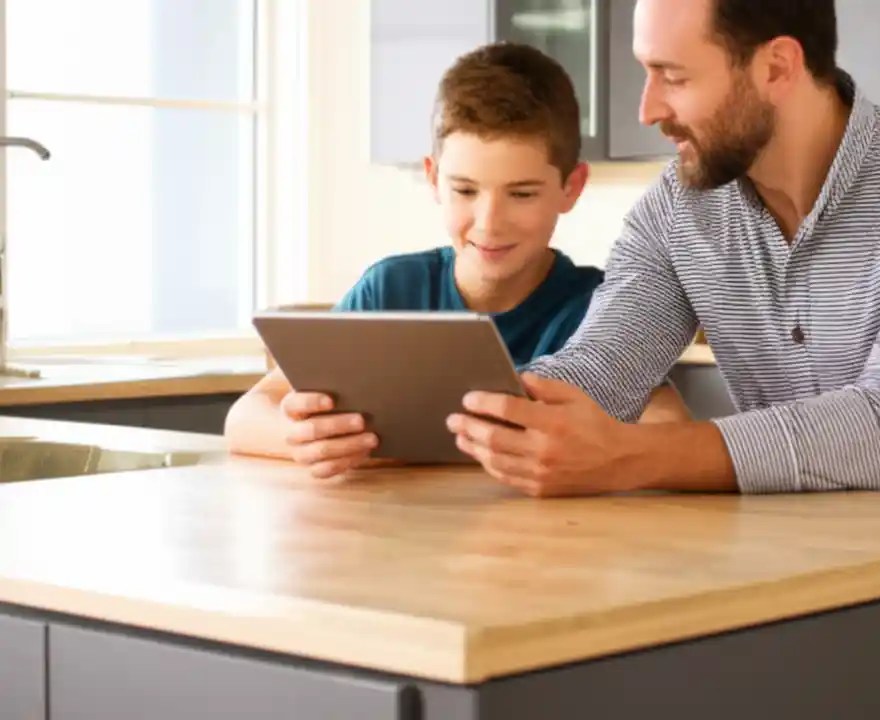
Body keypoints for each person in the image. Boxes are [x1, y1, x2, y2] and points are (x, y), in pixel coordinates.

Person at [442, 0, 880, 696]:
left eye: (672, 76)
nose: (648, 108)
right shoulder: (679, 209)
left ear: (776, 66)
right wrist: (382, 418)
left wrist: (624, 456)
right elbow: (590, 376)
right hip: (822, 595)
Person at [224, 42, 688, 479]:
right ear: (433, 178)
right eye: (465, 190)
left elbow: (668, 426)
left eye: (522, 194)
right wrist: (300, 440)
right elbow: (245, 416)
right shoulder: (390, 291)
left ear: (572, 187)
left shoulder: (603, 307)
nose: (489, 223)